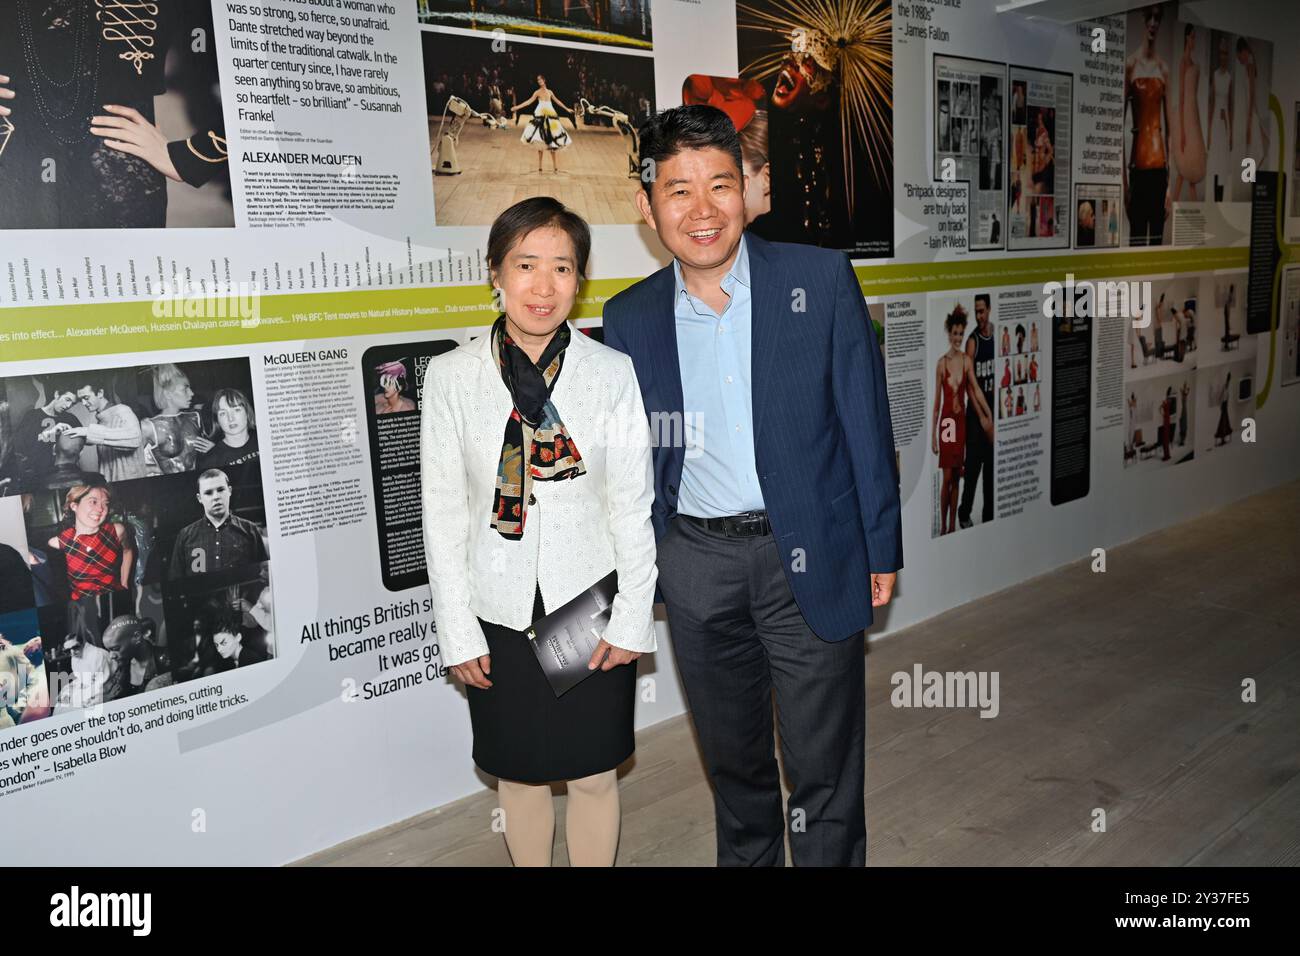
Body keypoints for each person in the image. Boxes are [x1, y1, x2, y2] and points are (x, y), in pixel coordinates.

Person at [602, 105, 902, 866]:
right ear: (647, 205)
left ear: (751, 191)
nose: (702, 210)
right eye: (679, 190)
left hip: (812, 551)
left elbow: (865, 420)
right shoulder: (628, 318)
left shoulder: (819, 278)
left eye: (720, 185)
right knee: (735, 774)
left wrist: (880, 546)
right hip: (699, 567)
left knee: (823, 773)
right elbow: (630, 461)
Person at [420, 196, 657, 867]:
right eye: (526, 264)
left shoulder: (611, 374)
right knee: (518, 776)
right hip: (497, 609)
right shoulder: (451, 377)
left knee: (592, 772)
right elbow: (442, 512)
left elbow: (632, 505)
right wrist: (458, 631)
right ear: (495, 272)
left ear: (579, 281)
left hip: (588, 608)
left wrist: (632, 619)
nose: (543, 286)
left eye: (562, 267)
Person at [933, 305, 994, 535]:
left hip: (961, 426)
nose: (957, 338)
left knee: (958, 476)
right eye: (954, 333)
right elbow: (937, 403)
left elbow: (975, 390)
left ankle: (951, 526)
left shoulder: (967, 361)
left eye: (960, 333)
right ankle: (942, 524)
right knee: (947, 476)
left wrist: (988, 412)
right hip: (947, 424)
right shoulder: (941, 364)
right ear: (949, 333)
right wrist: (933, 436)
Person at [1124, 4, 1172, 245]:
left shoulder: (1164, 69)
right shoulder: (1130, 66)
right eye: (1150, 17)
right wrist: (1123, 182)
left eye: (1158, 18)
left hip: (1159, 169)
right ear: (1144, 19)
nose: (1154, 23)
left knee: (1155, 247)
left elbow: (1170, 132)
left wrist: (1170, 188)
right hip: (1138, 168)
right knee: (1135, 245)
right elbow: (1117, 128)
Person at [168, 469, 268, 579]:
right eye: (208, 493)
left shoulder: (251, 530)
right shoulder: (185, 536)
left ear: (229, 491)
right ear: (199, 498)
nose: (216, 497)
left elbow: (264, 574)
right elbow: (176, 578)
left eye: (220, 490)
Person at [46, 484, 133, 600]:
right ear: (74, 506)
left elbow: (128, 551)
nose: (101, 509)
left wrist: (124, 582)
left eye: (105, 503)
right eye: (93, 502)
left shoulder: (117, 531)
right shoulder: (57, 543)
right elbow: (56, 586)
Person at [958, 294, 996, 529]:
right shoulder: (973, 341)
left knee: (991, 469)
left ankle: (989, 518)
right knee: (972, 468)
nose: (979, 316)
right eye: (976, 311)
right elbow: (969, 383)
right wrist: (982, 416)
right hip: (975, 416)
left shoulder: (995, 333)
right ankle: (964, 514)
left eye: (982, 311)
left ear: (989, 309)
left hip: (991, 409)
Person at [66, 377, 147, 482]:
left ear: (100, 393)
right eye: (81, 399)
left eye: (86, 398)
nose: (84, 403)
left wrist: (87, 432)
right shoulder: (102, 420)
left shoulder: (122, 411)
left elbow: (135, 438)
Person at [5, 386, 80, 491]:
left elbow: (84, 441)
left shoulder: (70, 419)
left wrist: (76, 433)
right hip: (36, 477)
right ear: (57, 394)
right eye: (67, 400)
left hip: (62, 476)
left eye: (72, 403)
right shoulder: (32, 416)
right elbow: (18, 447)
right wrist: (48, 433)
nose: (68, 406)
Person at [142, 364, 212, 475]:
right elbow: (129, 464)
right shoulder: (149, 426)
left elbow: (206, 457)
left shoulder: (195, 418)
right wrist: (152, 469)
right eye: (185, 389)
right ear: (168, 394)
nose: (192, 393)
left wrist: (214, 450)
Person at [511, 75, 574, 173]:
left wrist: (567, 109)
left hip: (551, 116)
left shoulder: (550, 92)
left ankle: (555, 167)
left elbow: (558, 101)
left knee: (553, 140)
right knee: (539, 139)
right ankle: (540, 166)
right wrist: (517, 107)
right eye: (538, 80)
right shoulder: (537, 92)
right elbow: (528, 102)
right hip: (540, 116)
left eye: (540, 79)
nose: (539, 81)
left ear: (544, 80)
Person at [1172, 25, 1207, 201]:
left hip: (1193, 114)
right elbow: (1182, 95)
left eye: (1195, 37)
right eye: (1192, 37)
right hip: (1184, 115)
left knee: (1191, 165)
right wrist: (1183, 131)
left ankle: (1193, 208)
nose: (1194, 41)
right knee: (1183, 165)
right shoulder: (1183, 63)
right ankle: (1172, 206)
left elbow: (1194, 94)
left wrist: (1196, 120)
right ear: (1186, 38)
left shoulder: (1195, 66)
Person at [198, 388, 260, 470]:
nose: (231, 418)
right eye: (223, 413)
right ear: (217, 420)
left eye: (237, 410)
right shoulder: (209, 462)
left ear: (247, 413)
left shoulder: (264, 441)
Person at [1206, 34, 1233, 203]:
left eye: (1226, 54)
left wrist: (1229, 129)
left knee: (1223, 161)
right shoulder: (1215, 75)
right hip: (1216, 118)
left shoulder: (1229, 77)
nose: (1223, 57)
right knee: (1215, 159)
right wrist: (1209, 130)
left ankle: (1221, 199)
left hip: (1225, 121)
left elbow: (1229, 103)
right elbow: (1212, 101)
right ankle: (1214, 199)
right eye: (1221, 53)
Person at [1215, 372, 1233, 445]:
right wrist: (1222, 405)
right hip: (1224, 405)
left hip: (1225, 405)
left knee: (1224, 420)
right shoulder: (1225, 388)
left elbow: (1224, 398)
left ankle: (1223, 436)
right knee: (1223, 421)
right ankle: (1222, 436)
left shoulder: (1226, 388)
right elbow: (1222, 398)